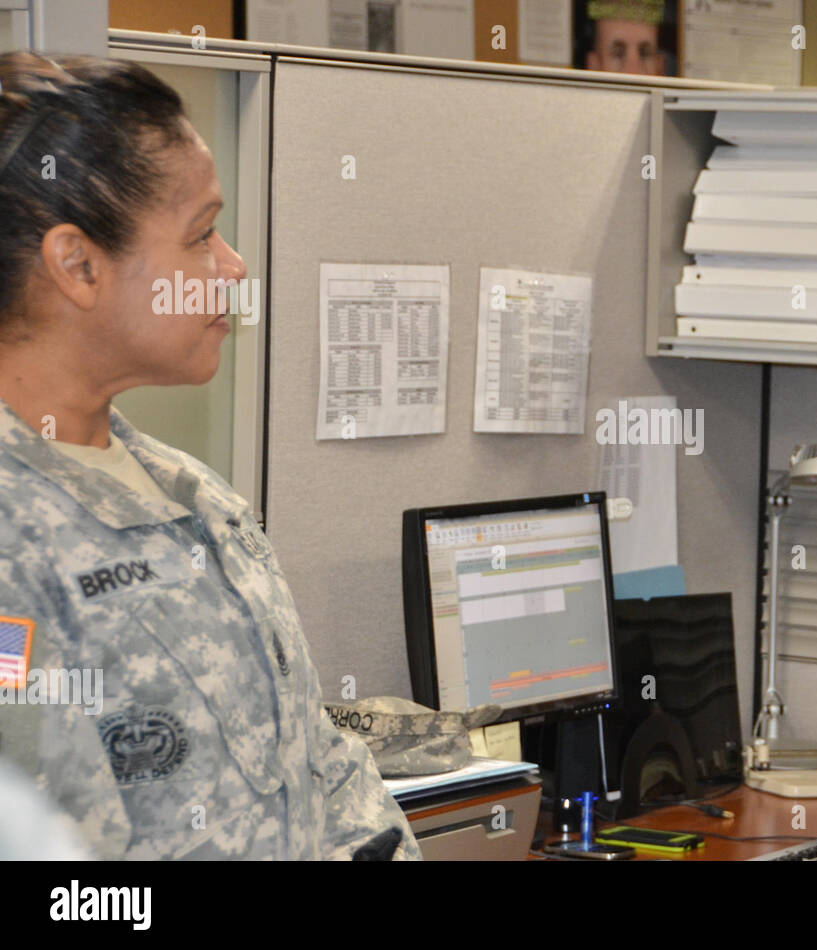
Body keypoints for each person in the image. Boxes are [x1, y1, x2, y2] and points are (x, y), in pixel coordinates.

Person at [0, 52, 420, 860]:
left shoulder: (192, 498)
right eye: (201, 234)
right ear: (78, 266)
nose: (233, 267)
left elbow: (323, 766)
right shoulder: (17, 542)